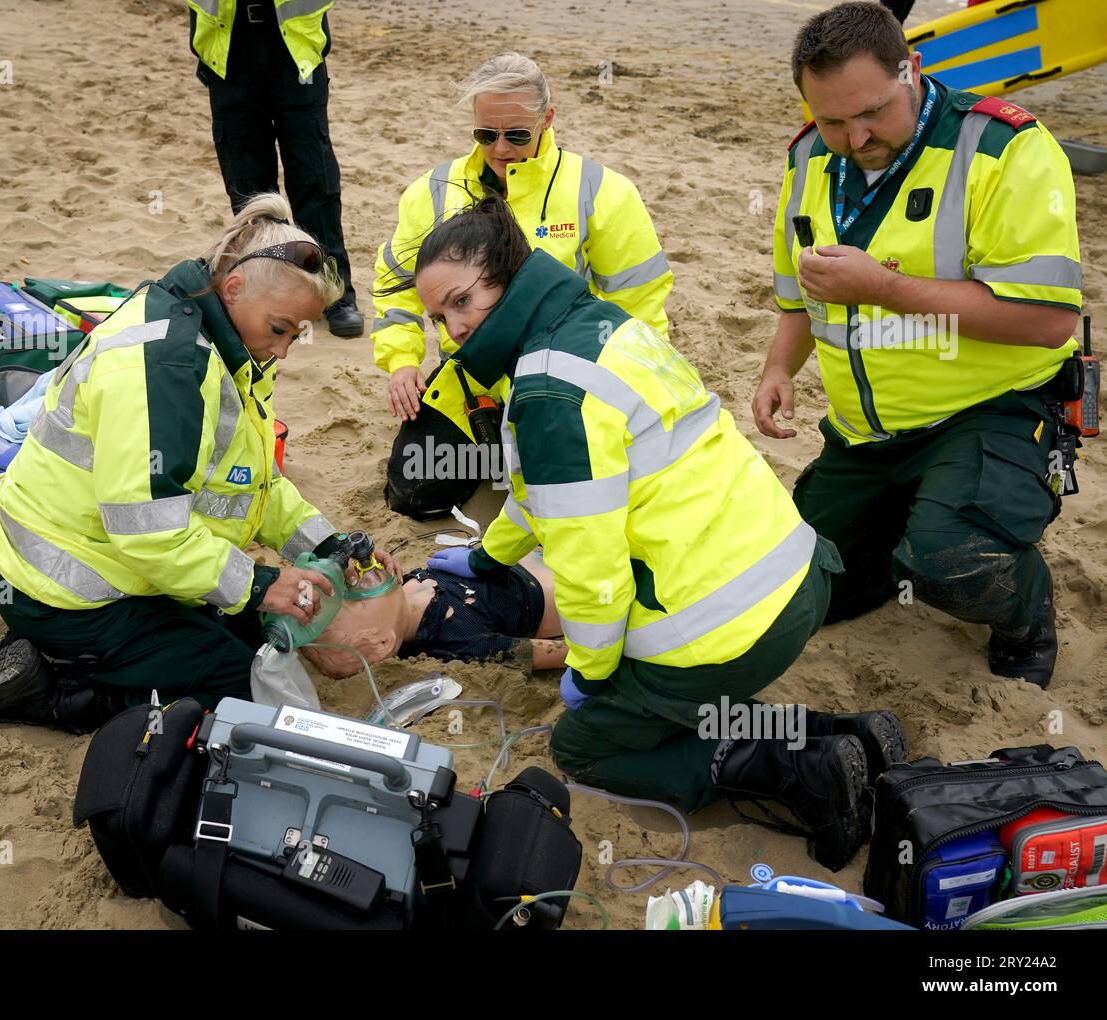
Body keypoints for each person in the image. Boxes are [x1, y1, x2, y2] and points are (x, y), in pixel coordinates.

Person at [398, 194, 908, 872]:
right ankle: (850, 737)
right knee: (665, 697)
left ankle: (804, 772)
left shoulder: (549, 394)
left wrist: (592, 669)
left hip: (723, 625)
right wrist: (489, 557)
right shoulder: (604, 326)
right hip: (798, 577)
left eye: (462, 302)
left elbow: (592, 572)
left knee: (585, 745)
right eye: (438, 316)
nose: (452, 330)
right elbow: (545, 495)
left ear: (510, 276)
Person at [0, 193, 399, 732]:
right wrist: (257, 585)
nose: (284, 351)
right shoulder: (169, 369)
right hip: (64, 585)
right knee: (236, 685)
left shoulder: (221, 340)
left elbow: (255, 483)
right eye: (281, 329)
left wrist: (329, 547)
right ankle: (51, 691)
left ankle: (69, 652)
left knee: (249, 633)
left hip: (109, 560)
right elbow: (148, 533)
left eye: (296, 333)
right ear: (233, 288)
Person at [753, 2, 1083, 688]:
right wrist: (779, 367)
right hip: (866, 435)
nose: (856, 135)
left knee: (952, 561)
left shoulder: (1003, 148)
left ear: (914, 68)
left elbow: (1048, 321)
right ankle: (903, 535)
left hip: (994, 409)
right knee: (800, 588)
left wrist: (886, 289)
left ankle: (1027, 614)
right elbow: (801, 296)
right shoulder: (809, 156)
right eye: (833, 119)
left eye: (872, 111)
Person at [373, 52, 673, 519]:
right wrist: (401, 361)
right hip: (471, 381)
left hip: (568, 382)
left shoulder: (600, 191)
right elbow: (396, 283)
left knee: (575, 501)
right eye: (485, 134)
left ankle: (522, 460)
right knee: (414, 493)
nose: (500, 149)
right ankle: (499, 456)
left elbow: (639, 307)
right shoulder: (432, 190)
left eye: (516, 134)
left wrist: (629, 399)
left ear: (547, 119)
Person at [187, 0, 363, 337]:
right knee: (247, 181)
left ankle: (334, 289)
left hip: (293, 42)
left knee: (314, 177)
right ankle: (268, 285)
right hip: (228, 42)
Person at [299, 552, 568, 679]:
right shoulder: (460, 639)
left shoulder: (408, 584)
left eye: (344, 588)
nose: (354, 583)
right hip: (574, 587)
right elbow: (558, 653)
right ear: (384, 642)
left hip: (532, 547)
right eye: (355, 604)